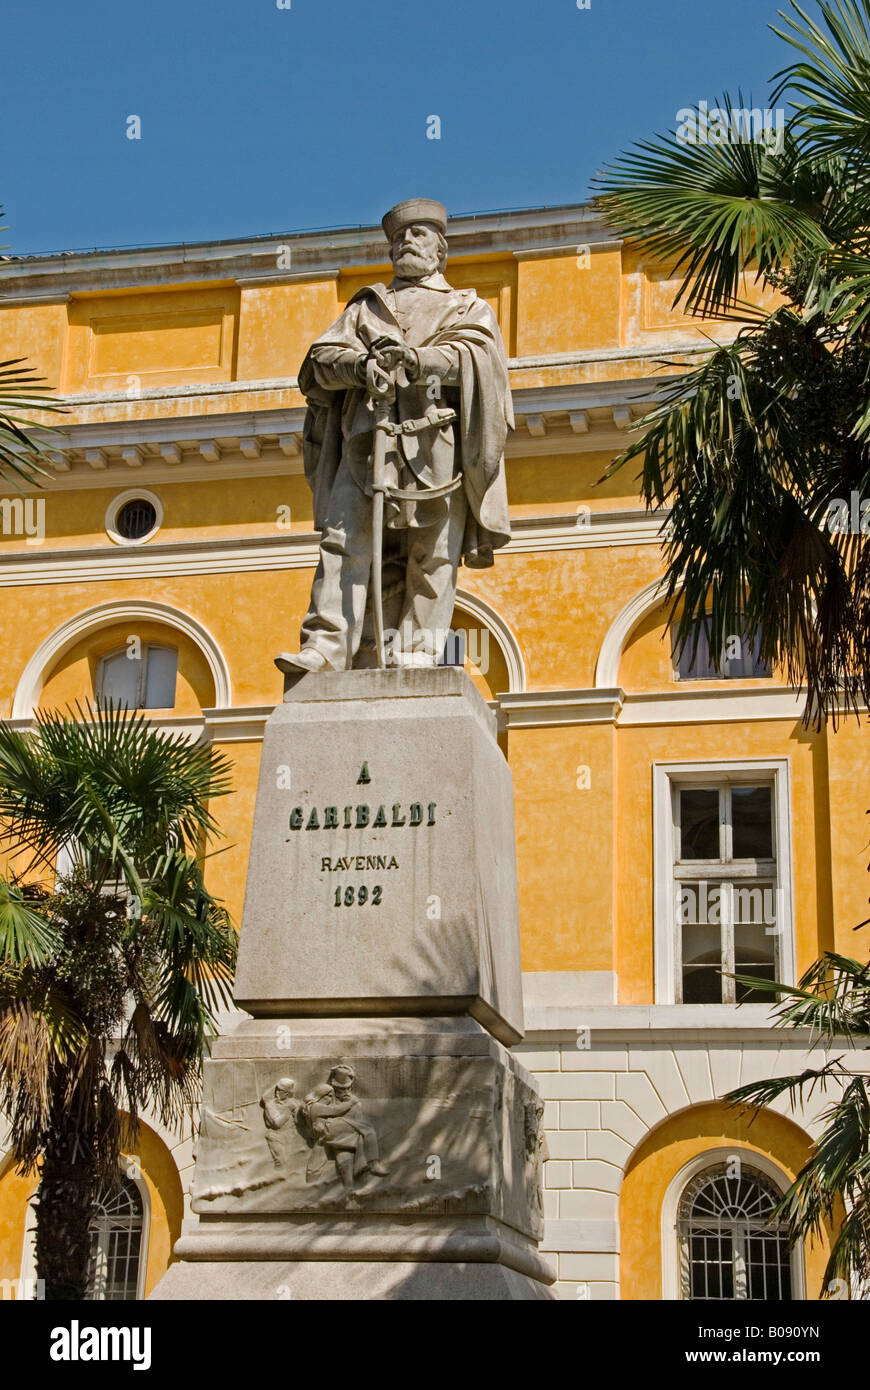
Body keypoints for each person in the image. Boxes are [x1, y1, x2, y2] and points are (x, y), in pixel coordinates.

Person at [275, 196, 513, 674]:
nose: (407, 242)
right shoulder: (366, 308)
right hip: (367, 449)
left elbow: (479, 357)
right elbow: (318, 363)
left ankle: (418, 651)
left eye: (419, 235)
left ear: (440, 250)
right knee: (343, 543)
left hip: (437, 447)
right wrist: (361, 366)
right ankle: (326, 648)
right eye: (400, 237)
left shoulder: (467, 306)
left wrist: (416, 359)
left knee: (433, 554)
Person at [302, 1065, 388, 1189]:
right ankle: (372, 1163)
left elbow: (355, 1118)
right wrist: (317, 1122)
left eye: (348, 1088)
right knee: (314, 1167)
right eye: (342, 1089)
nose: (346, 1091)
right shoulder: (326, 1099)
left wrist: (350, 1104)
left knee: (346, 1155)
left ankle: (351, 1191)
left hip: (343, 1139)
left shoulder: (353, 1101)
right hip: (327, 1137)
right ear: (334, 1087)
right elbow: (329, 1110)